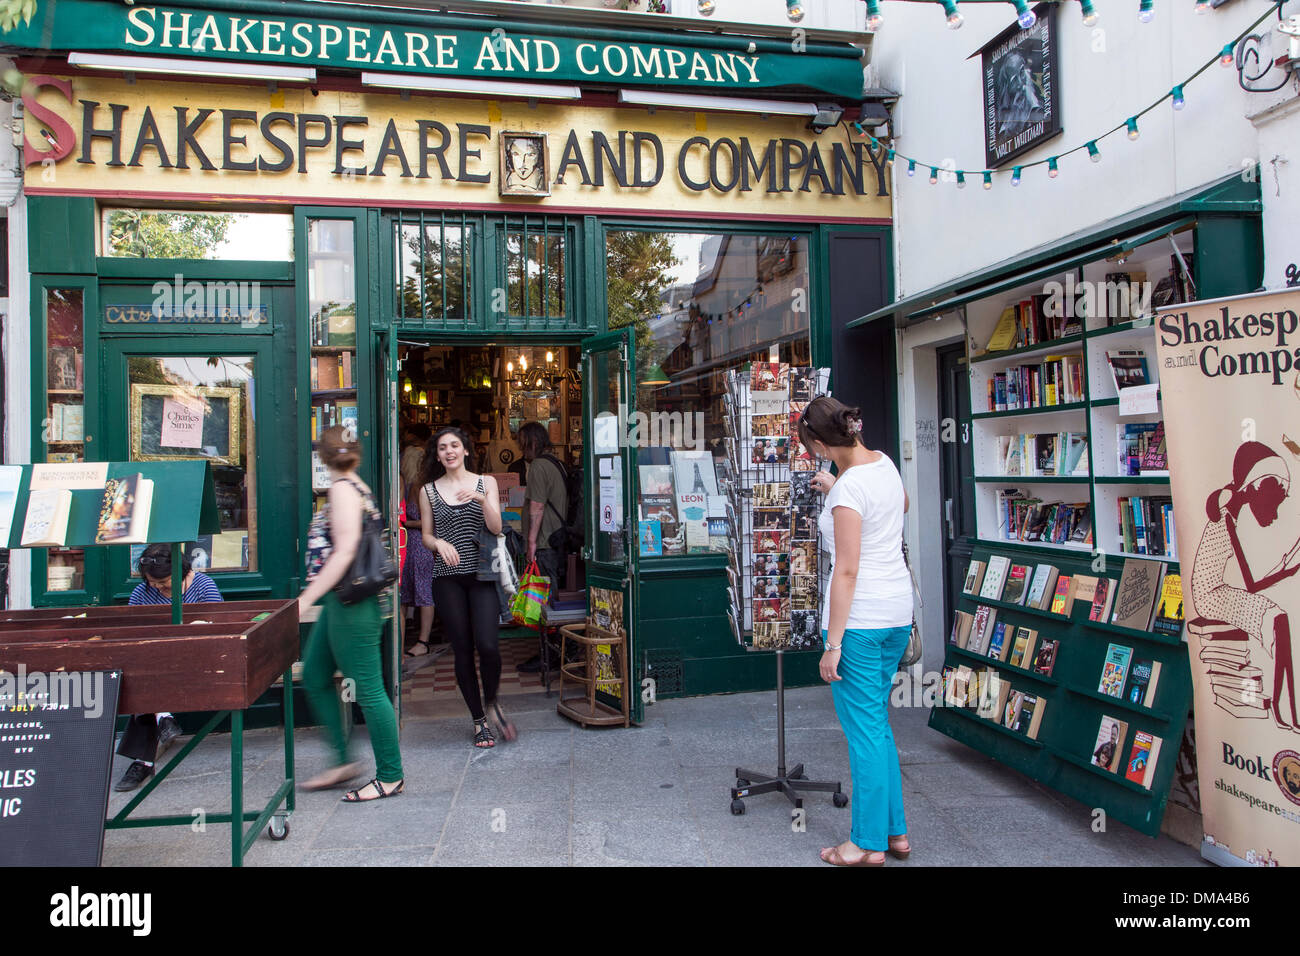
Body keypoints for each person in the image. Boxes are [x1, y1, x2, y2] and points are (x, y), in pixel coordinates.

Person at [799, 395, 913, 867]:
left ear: (824, 444)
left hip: (861, 623)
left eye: (810, 447)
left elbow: (845, 571)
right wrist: (840, 488)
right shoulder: (882, 464)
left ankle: (865, 843)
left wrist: (833, 644)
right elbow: (900, 505)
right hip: (896, 615)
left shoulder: (848, 491)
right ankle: (895, 831)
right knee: (878, 728)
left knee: (863, 734)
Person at [298, 426, 404, 802]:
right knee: (314, 674)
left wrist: (304, 600)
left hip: (351, 604)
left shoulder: (343, 490)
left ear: (322, 459)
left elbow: (344, 552)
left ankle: (390, 775)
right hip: (342, 603)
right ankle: (343, 761)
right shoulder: (357, 486)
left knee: (370, 691)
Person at [418, 426, 517, 748]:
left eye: (454, 445)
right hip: (447, 578)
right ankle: (479, 721)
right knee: (462, 649)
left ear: (465, 450)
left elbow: (497, 526)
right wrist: (438, 544)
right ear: (437, 454)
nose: (449, 451)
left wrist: (479, 497)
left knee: (488, 645)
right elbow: (426, 535)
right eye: (442, 447)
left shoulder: (485, 482)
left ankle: (493, 701)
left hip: (482, 574)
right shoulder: (428, 490)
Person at [1191, 441, 1300, 731]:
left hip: (1223, 588)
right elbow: (1251, 584)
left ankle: (1286, 708)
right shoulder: (1228, 513)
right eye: (1272, 502)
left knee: (1280, 618)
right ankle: (1283, 710)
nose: (1274, 514)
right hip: (1210, 594)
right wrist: (1290, 568)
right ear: (1255, 486)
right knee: (1277, 618)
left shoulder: (1237, 509)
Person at [114, 543, 224, 792]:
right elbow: (132, 638)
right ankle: (162, 719)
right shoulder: (141, 594)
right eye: (153, 582)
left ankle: (143, 759)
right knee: (142, 671)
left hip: (197, 664)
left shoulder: (203, 586)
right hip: (155, 667)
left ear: (183, 572)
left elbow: (219, 630)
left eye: (163, 583)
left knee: (146, 679)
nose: (157, 587)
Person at [517, 421, 569, 603]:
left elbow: (537, 506)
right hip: (556, 536)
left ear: (533, 442)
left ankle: (547, 629)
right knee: (551, 586)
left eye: (523, 442)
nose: (521, 448)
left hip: (544, 541)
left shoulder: (538, 465)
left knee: (543, 593)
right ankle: (550, 628)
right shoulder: (557, 463)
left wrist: (531, 543)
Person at [400, 427, 437, 659]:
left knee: (413, 595)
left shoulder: (413, 488)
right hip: (419, 546)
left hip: (413, 544)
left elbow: (427, 523)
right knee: (422, 594)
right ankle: (421, 640)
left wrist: (404, 524)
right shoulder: (421, 486)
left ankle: (418, 642)